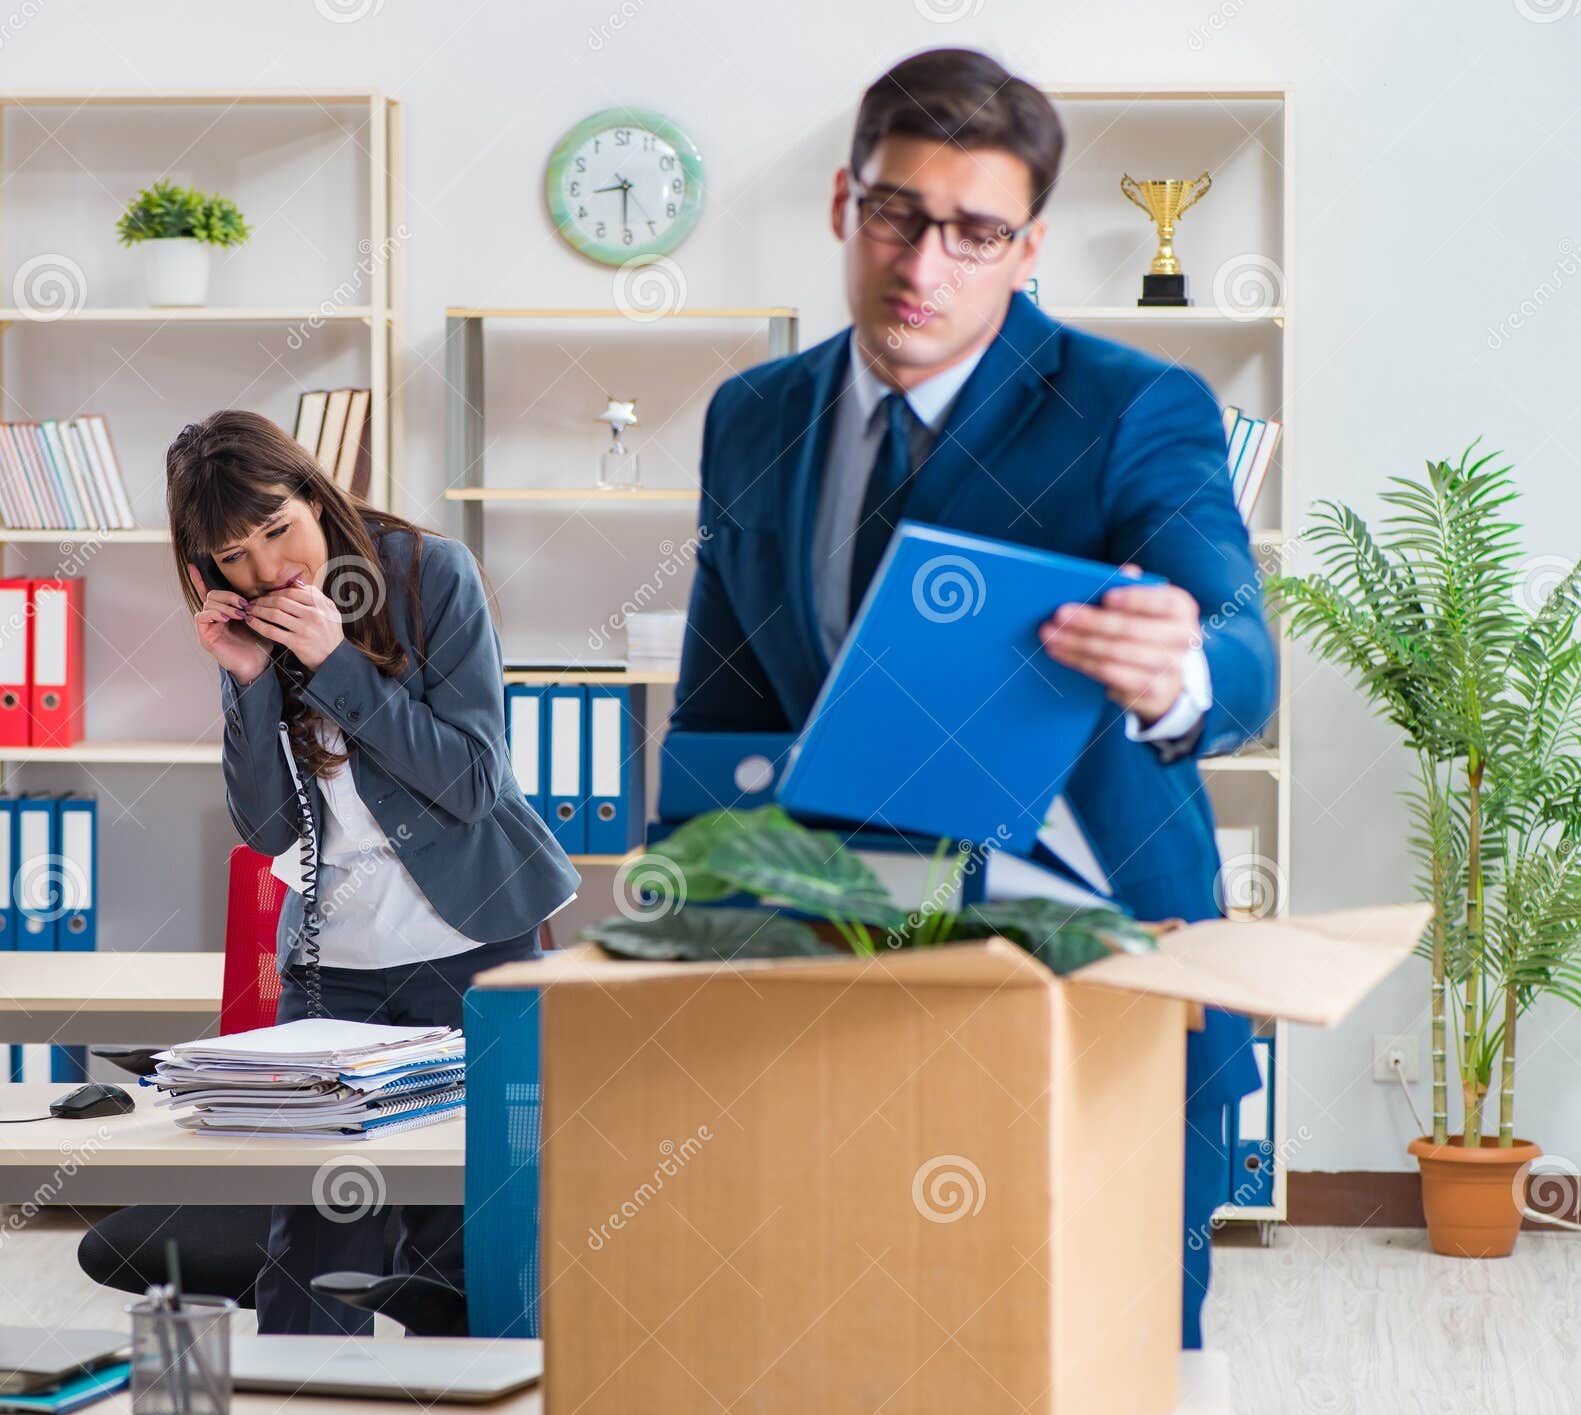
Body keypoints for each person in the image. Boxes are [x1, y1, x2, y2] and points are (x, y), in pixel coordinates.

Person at [667, 48, 1277, 1347]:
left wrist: (1185, 670)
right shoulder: (752, 418)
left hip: (1101, 983)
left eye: (974, 230)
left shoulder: (1135, 409)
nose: (922, 265)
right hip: (842, 974)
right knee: (866, 1362)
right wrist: (673, 942)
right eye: (897, 213)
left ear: (1029, 245)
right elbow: (722, 710)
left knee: (1106, 1372)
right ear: (845, 200)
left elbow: (1236, 637)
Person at [160, 408, 580, 1334]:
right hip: (333, 964)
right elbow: (270, 828)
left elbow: (472, 780)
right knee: (312, 1247)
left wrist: (334, 661)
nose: (271, 568)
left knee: (470, 1236)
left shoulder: (430, 574)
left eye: (279, 526)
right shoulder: (250, 628)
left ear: (314, 493)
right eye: (235, 554)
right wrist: (247, 680)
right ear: (206, 570)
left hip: (477, 947)